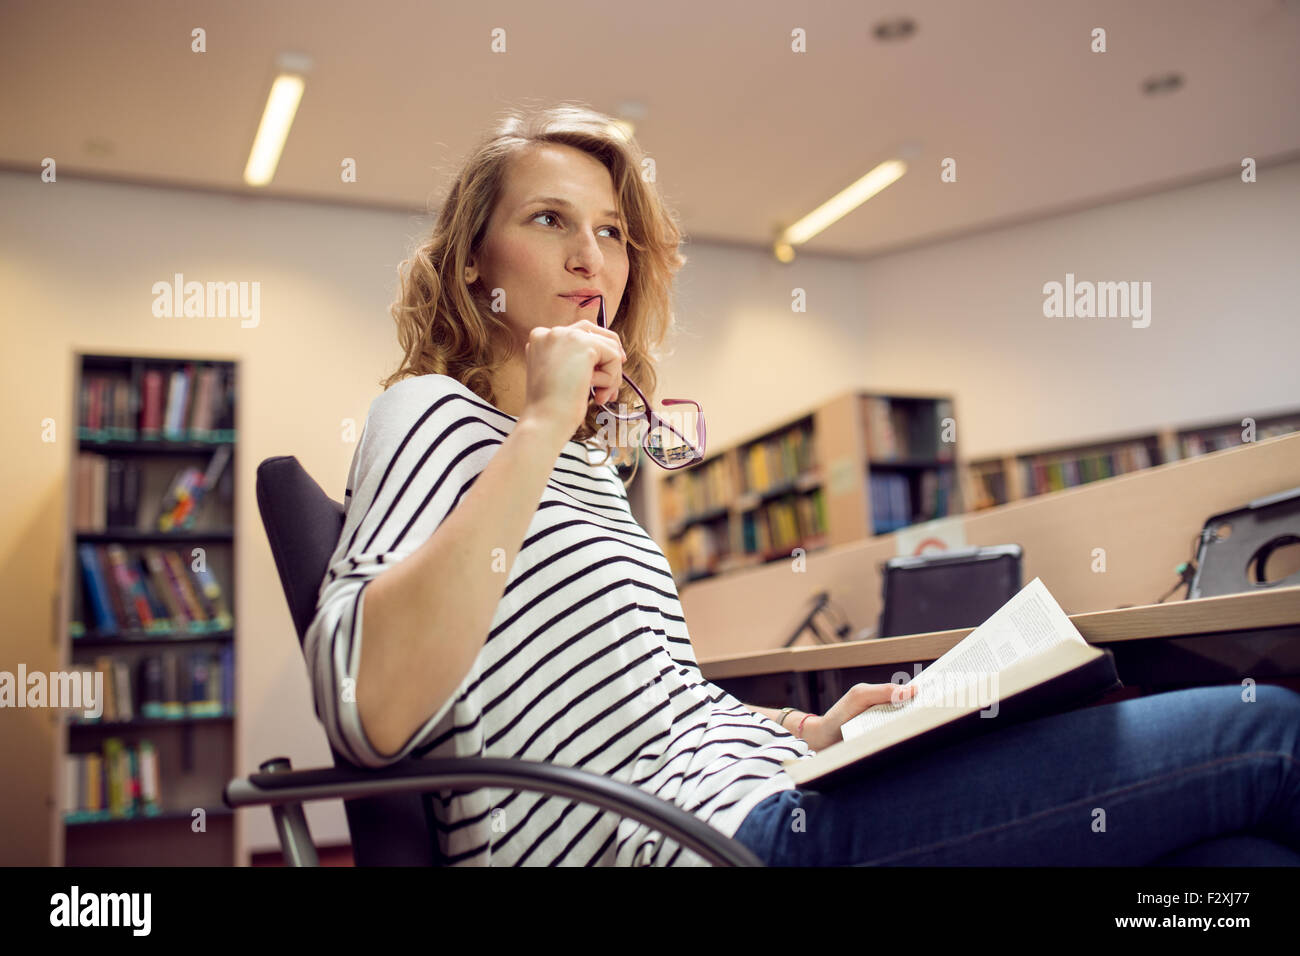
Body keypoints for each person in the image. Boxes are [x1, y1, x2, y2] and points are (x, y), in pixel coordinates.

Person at [304, 103, 1300, 867]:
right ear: (474, 258)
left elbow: (653, 708)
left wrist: (805, 725)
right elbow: (371, 710)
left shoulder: (584, 471)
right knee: (1264, 727)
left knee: (1231, 860)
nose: (588, 256)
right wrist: (540, 418)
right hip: (712, 843)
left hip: (763, 788)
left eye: (611, 231)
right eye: (549, 219)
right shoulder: (433, 415)